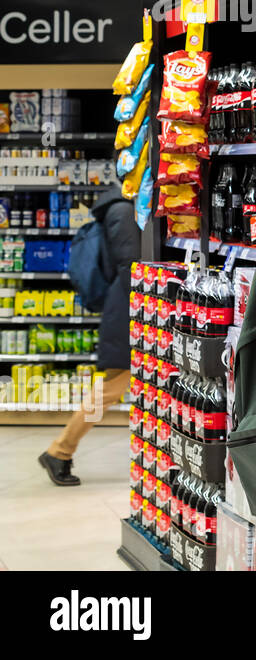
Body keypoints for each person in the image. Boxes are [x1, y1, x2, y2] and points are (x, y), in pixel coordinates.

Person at [39, 185, 139, 486]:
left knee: (109, 389)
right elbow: (130, 266)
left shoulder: (121, 207)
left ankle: (60, 450)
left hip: (126, 309)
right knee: (109, 390)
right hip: (128, 312)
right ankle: (59, 450)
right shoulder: (122, 210)